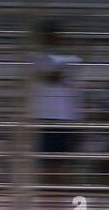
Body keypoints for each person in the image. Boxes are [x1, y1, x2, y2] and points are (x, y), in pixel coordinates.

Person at [29, 19, 84, 167]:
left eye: (52, 34)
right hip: (44, 117)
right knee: (46, 163)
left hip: (63, 118)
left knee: (60, 164)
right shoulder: (35, 58)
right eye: (47, 34)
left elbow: (54, 77)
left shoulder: (71, 59)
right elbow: (51, 77)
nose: (49, 38)